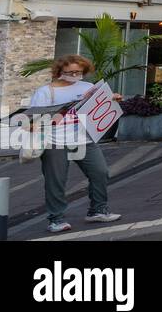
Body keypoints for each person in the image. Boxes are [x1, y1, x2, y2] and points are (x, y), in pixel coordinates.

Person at [30, 55, 122, 233]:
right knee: (55, 181)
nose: (74, 75)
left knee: (100, 172)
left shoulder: (88, 87)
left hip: (84, 139)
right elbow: (33, 119)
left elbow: (100, 106)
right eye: (70, 72)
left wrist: (113, 99)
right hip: (54, 141)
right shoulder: (45, 92)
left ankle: (98, 210)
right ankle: (56, 219)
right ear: (59, 72)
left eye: (78, 72)